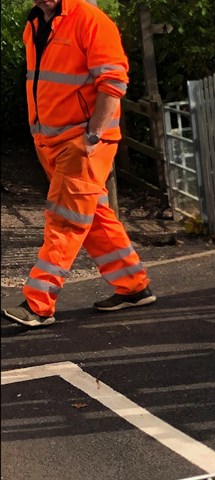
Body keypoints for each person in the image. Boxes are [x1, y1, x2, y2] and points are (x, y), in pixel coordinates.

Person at [3, 0, 156, 328]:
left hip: (83, 142)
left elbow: (113, 84)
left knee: (65, 219)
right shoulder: (34, 24)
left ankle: (38, 303)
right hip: (52, 142)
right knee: (94, 214)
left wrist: (92, 136)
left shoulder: (90, 20)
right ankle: (133, 286)